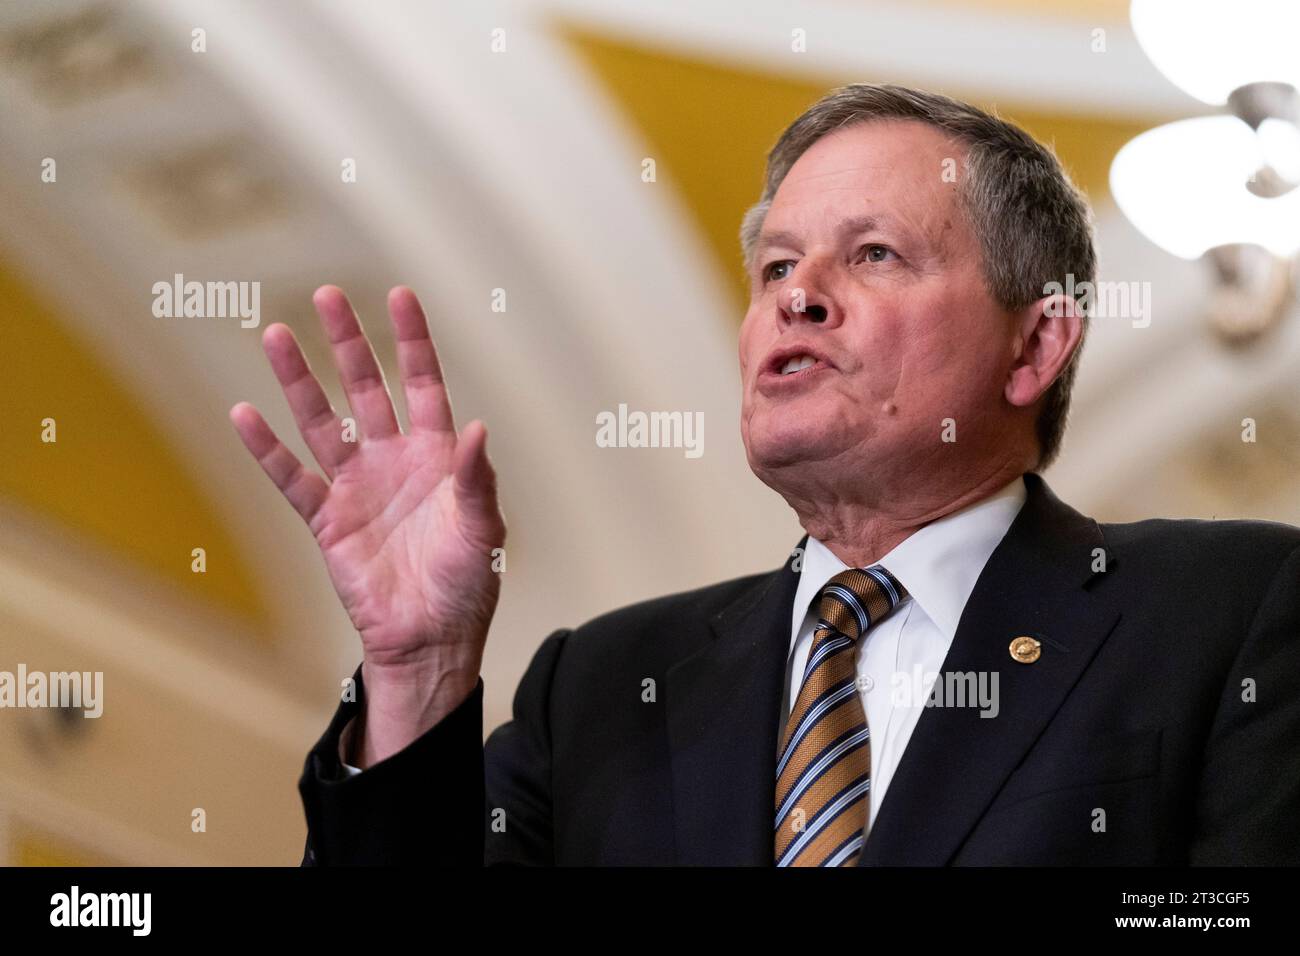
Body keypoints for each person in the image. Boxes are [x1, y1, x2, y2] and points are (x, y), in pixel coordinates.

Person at [230, 84, 1300, 866]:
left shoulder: (1228, 609)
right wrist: (416, 670)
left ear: (1033, 348)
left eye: (873, 253)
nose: (797, 296)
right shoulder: (600, 683)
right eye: (778, 266)